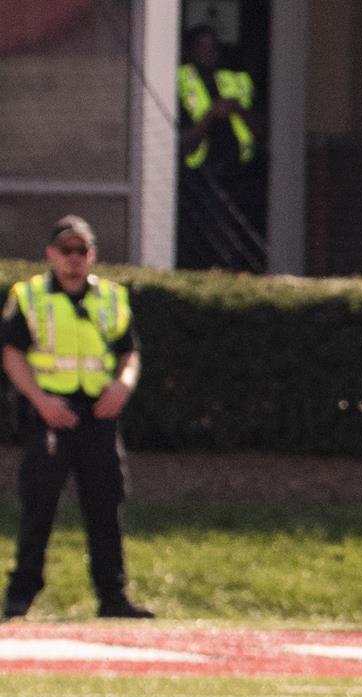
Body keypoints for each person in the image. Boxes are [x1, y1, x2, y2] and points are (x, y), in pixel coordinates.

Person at [1, 216, 152, 621]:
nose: (73, 258)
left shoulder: (111, 297)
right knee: (38, 507)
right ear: (51, 254)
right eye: (65, 250)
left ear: (92, 255)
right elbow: (12, 354)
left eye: (80, 250)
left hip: (98, 414)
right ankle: (20, 596)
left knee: (106, 505)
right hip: (51, 413)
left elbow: (129, 351)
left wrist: (122, 386)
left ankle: (112, 597)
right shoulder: (30, 296)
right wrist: (40, 401)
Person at [176, 24, 265, 271]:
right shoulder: (180, 82)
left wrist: (238, 110)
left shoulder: (235, 82)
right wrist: (211, 115)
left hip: (238, 179)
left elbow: (262, 130)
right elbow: (183, 143)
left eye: (213, 46)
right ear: (190, 50)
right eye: (201, 46)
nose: (208, 52)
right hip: (198, 181)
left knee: (237, 246)